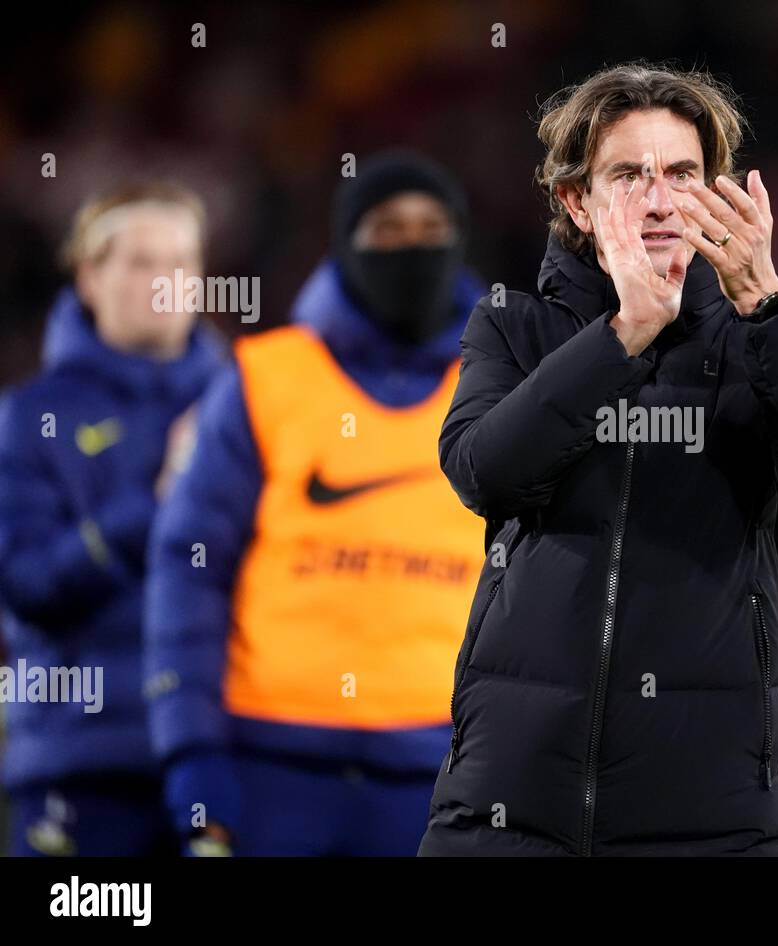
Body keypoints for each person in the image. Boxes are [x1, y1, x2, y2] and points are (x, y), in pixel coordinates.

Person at [418, 62, 778, 857]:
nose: (663, 200)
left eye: (683, 174)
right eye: (629, 175)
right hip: (509, 802)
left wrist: (769, 309)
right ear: (576, 201)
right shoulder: (513, 327)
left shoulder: (775, 333)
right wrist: (620, 337)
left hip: (710, 815)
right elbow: (484, 473)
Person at [144, 151, 487, 856]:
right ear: (343, 245)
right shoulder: (266, 380)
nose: (412, 246)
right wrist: (195, 767)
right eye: (387, 229)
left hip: (444, 780)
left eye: (432, 228)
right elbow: (189, 578)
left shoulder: (499, 382)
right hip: (270, 769)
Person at [0, 182, 224, 855]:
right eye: (141, 263)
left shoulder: (243, 407)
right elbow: (27, 585)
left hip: (218, 757)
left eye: (181, 264)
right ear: (90, 278)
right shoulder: (30, 417)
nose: (165, 283)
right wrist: (157, 506)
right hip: (81, 766)